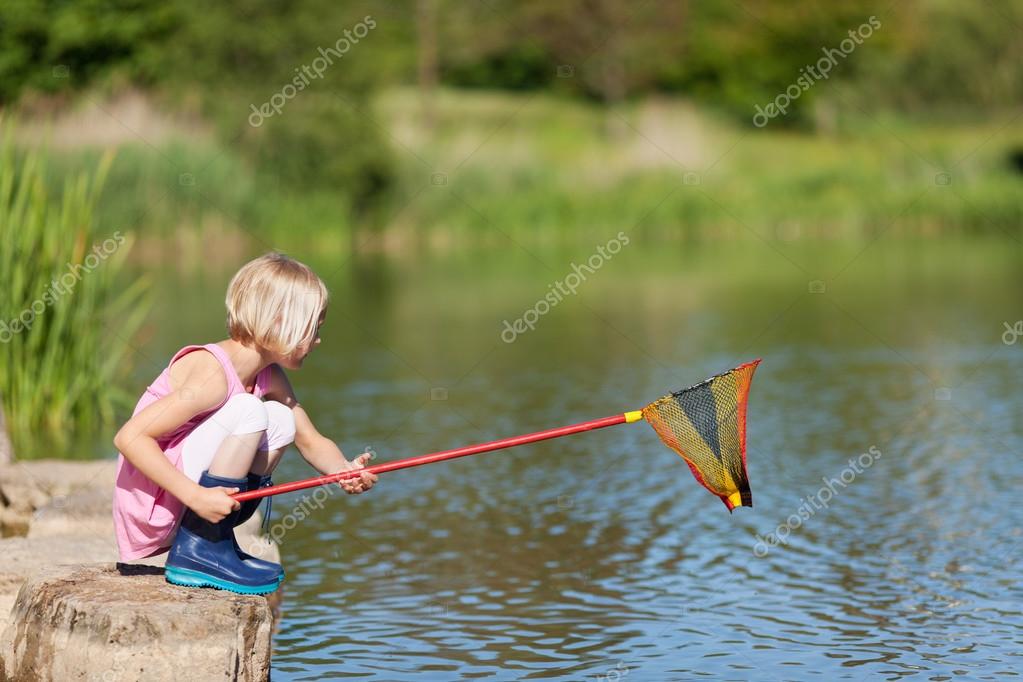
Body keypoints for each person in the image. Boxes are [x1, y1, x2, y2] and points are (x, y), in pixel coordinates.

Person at [112, 252, 377, 594]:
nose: (317, 341)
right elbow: (129, 437)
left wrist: (343, 470)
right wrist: (195, 496)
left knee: (281, 419)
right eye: (313, 329)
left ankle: (217, 540)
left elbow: (309, 439)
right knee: (251, 411)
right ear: (280, 322)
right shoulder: (212, 374)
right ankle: (201, 546)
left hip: (193, 497)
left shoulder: (269, 376)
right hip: (157, 501)